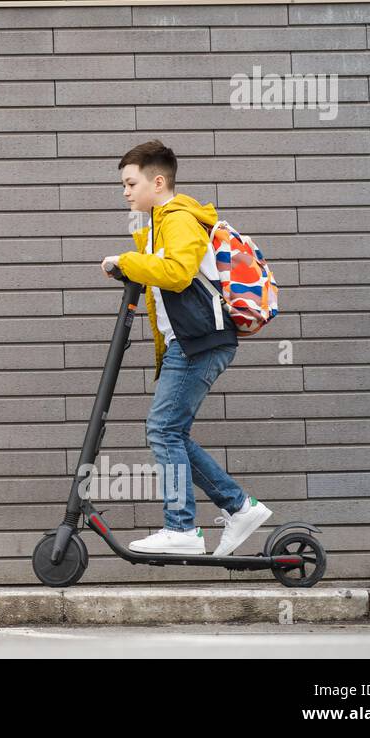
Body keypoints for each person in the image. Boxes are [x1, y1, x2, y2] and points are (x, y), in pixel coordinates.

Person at [100, 140, 273, 557]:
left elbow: (176, 273)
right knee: (170, 431)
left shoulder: (178, 218)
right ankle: (239, 506)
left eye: (130, 183)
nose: (125, 192)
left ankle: (182, 528)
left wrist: (125, 260)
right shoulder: (158, 223)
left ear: (157, 182)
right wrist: (132, 264)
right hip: (191, 342)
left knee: (163, 430)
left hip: (200, 342)